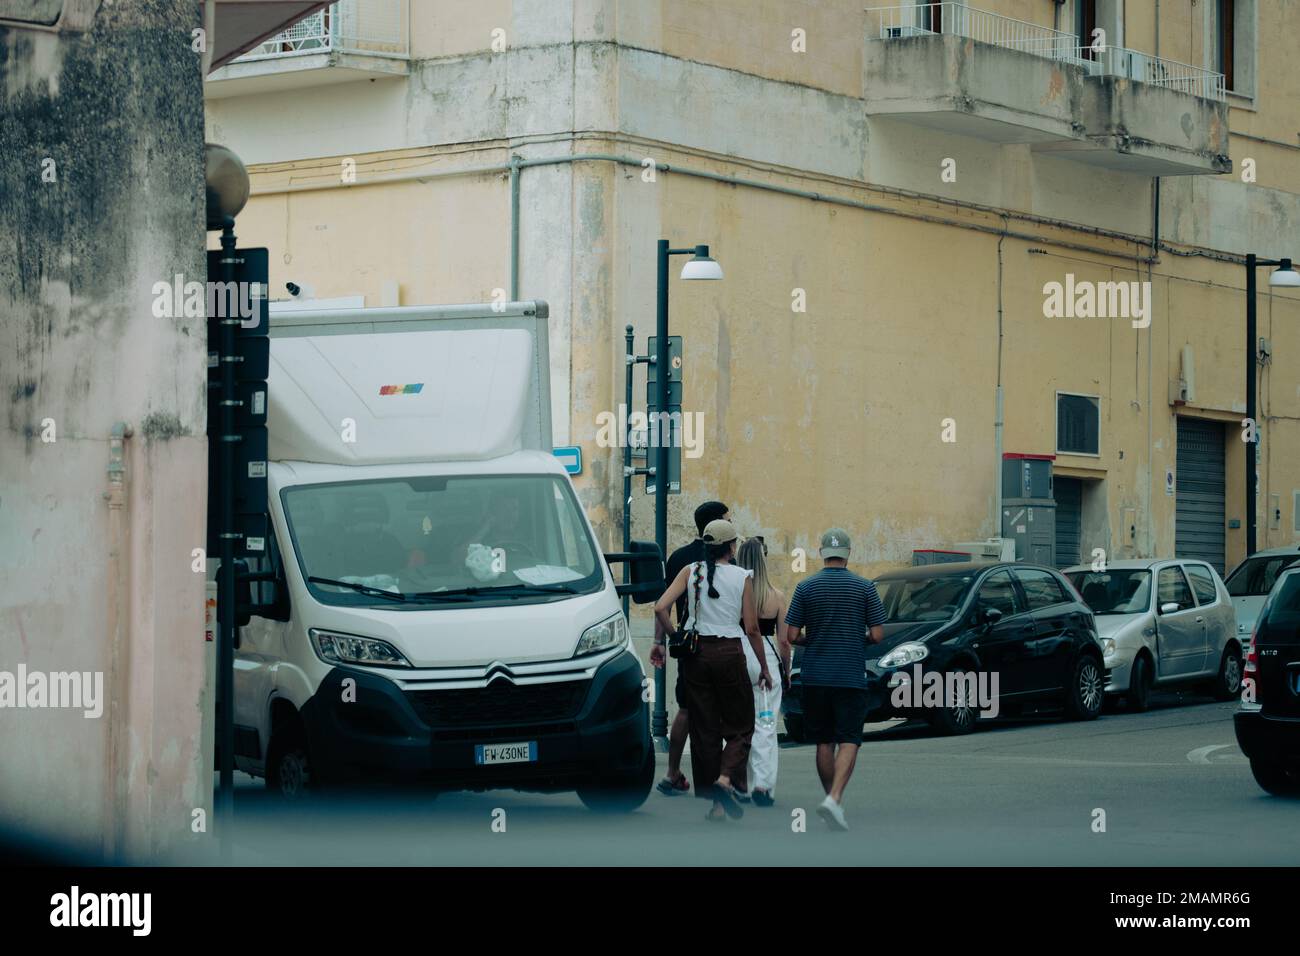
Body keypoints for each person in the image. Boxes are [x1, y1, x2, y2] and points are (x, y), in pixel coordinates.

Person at [654, 519, 772, 822]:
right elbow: (753, 628)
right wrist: (763, 667)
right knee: (741, 725)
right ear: (731, 547)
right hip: (729, 654)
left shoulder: (690, 571)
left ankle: (717, 806)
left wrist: (673, 637)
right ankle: (724, 780)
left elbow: (659, 607)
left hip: (696, 656)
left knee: (704, 729)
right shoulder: (742, 576)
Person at [783, 528, 886, 831]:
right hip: (849, 675)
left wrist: (812, 639)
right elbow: (878, 634)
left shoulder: (805, 587)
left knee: (824, 740)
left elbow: (790, 635)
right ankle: (835, 798)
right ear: (848, 553)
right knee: (850, 739)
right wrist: (857, 637)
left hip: (815, 676)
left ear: (821, 553)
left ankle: (832, 801)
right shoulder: (865, 587)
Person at [649, 500, 729, 796]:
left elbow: (663, 606)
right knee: (722, 710)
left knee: (686, 708)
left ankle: (672, 772)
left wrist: (665, 639)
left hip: (689, 644)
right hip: (722, 643)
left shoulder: (679, 557)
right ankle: (723, 777)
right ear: (718, 522)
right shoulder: (726, 557)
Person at [734, 536, 790, 807]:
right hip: (765, 657)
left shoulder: (733, 593)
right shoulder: (776, 596)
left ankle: (739, 784)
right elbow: (784, 641)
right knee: (765, 724)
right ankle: (763, 785)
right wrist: (787, 669)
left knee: (737, 724)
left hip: (736, 656)